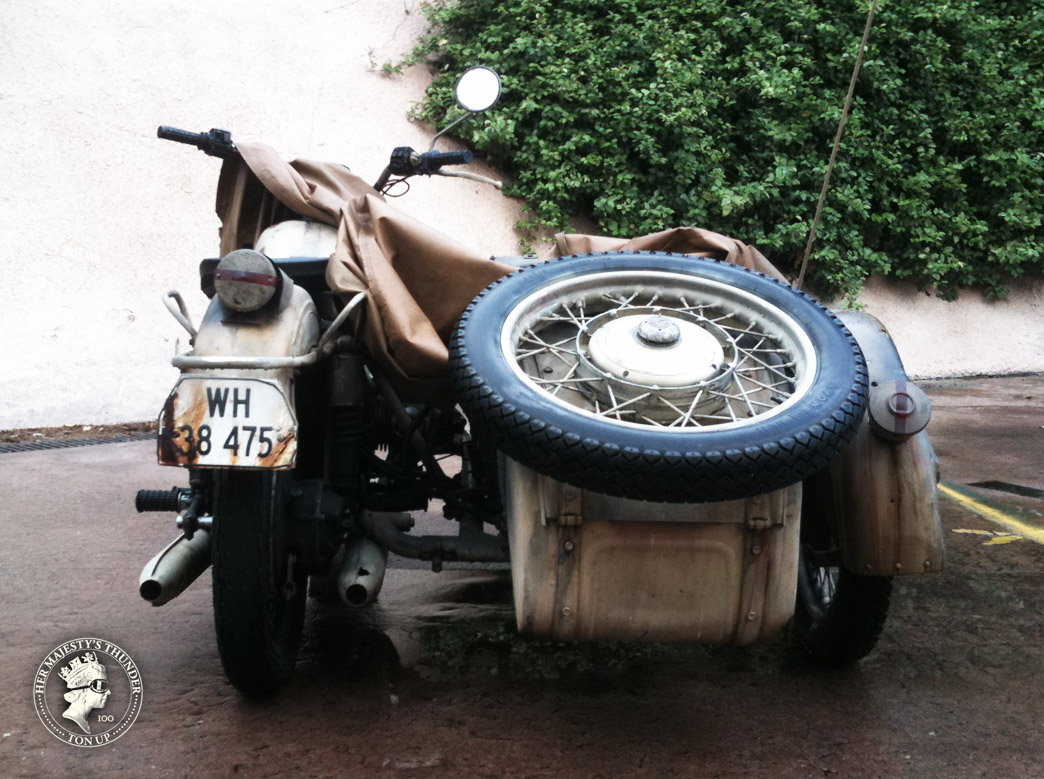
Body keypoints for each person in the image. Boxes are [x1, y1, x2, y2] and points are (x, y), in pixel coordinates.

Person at [58, 652, 110, 734]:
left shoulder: (83, 721)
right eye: (100, 686)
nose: (108, 692)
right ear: (82, 691)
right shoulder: (70, 722)